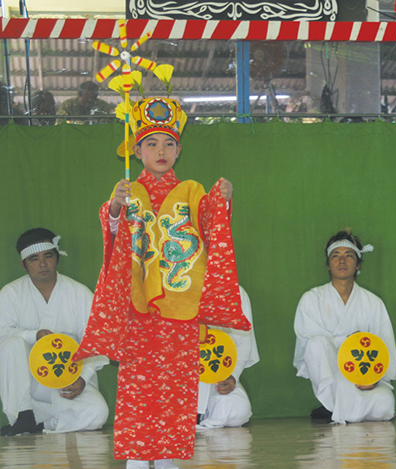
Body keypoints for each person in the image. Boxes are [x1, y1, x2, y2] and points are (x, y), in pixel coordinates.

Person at [73, 97, 251, 469]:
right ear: (137, 150)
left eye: (169, 143)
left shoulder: (190, 191)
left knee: (176, 388)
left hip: (180, 308)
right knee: (138, 387)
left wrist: (222, 199)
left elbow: (209, 221)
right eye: (152, 143)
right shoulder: (127, 193)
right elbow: (113, 236)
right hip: (139, 309)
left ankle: (169, 459)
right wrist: (117, 208)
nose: (161, 151)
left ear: (180, 149)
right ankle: (137, 460)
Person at [0, 228, 109, 437]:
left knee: (97, 413)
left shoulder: (79, 293)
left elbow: (94, 341)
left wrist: (83, 378)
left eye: (48, 256)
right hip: (27, 385)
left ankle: (40, 425)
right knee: (11, 343)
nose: (42, 264)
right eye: (34, 259)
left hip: (67, 380)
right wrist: (35, 335)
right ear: (23, 264)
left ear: (57, 258)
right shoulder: (10, 294)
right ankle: (23, 416)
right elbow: (2, 333)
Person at [293, 229, 396, 424]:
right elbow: (311, 344)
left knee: (385, 404)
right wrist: (350, 341)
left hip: (365, 373)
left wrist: (373, 378)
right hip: (331, 370)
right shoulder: (311, 298)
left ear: (358, 264)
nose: (342, 261)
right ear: (328, 265)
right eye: (336, 256)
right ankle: (339, 405)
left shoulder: (373, 303)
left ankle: (338, 408)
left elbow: (385, 346)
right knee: (316, 344)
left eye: (348, 256)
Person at [197, 285, 259, 429]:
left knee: (237, 411)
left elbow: (242, 341)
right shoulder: (167, 284)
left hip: (213, 374)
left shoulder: (235, 291)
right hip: (172, 378)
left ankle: (200, 415)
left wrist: (232, 376)